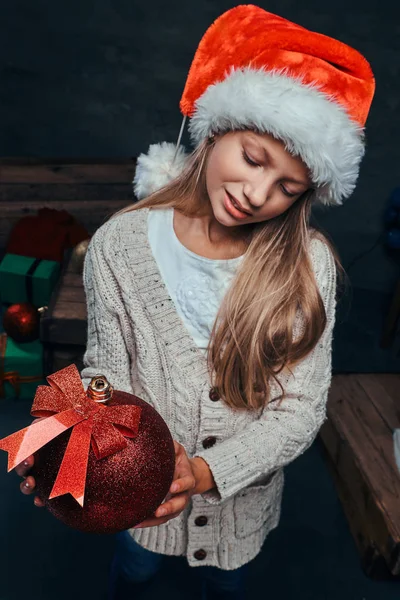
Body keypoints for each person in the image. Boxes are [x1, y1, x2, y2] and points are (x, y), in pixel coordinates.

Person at [15, 5, 375, 599]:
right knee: (133, 575)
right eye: (253, 158)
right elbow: (106, 369)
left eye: (288, 186)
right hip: (139, 504)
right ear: (213, 132)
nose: (257, 193)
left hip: (241, 511)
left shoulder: (308, 267)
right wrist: (64, 442)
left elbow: (300, 411)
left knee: (228, 588)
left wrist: (206, 473)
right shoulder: (120, 244)